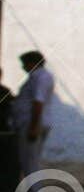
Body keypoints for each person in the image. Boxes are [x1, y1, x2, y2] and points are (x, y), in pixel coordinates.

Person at [14, 50, 55, 179]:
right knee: (31, 160)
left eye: (24, 64)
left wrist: (33, 127)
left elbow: (38, 103)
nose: (23, 67)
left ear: (32, 63)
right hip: (36, 122)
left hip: (31, 123)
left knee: (29, 162)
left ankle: (34, 190)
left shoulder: (40, 77)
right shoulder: (40, 77)